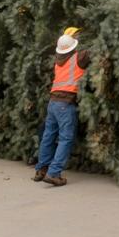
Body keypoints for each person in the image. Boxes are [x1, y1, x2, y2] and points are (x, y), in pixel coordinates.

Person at [33, 27, 89, 186]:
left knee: (48, 136)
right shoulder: (78, 57)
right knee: (66, 138)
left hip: (53, 103)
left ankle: (41, 170)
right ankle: (54, 173)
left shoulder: (58, 62)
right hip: (66, 103)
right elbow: (96, 49)